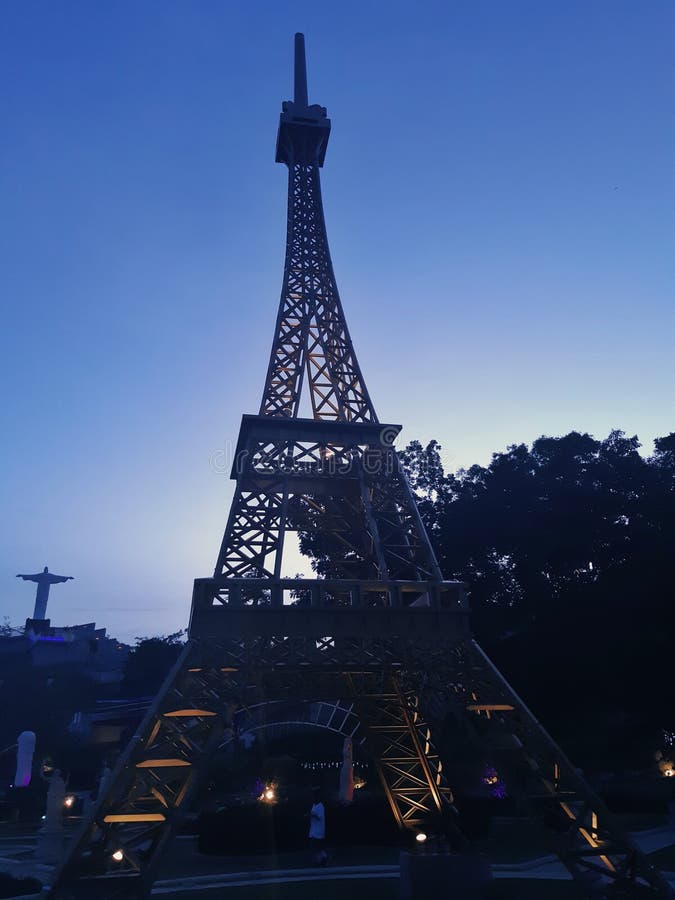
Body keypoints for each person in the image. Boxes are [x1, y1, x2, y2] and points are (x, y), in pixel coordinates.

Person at [308, 788, 327, 866]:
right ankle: (320, 860)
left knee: (316, 847)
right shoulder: (314, 805)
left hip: (318, 831)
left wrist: (312, 815)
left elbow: (319, 817)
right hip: (313, 831)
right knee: (315, 847)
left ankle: (321, 860)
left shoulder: (320, 806)